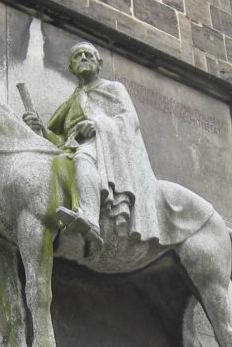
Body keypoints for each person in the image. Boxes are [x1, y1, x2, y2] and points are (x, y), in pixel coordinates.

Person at [22, 43, 163, 257]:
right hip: (73, 147)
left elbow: (129, 119)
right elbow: (62, 138)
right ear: (71, 67)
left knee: (83, 158)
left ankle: (88, 216)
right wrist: (42, 130)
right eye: (78, 56)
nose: (83, 58)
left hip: (105, 146)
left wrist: (98, 125)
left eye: (88, 55)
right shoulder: (72, 101)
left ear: (100, 63)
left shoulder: (113, 89)